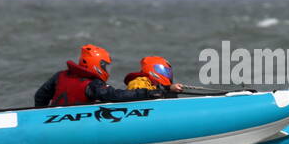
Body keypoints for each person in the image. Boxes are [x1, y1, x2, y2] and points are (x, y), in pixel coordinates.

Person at [34, 45, 183, 107]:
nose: (107, 70)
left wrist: (43, 116)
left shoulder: (60, 76)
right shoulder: (92, 85)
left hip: (54, 120)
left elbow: (40, 96)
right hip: (74, 125)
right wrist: (154, 92)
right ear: (96, 65)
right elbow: (116, 95)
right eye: (105, 65)